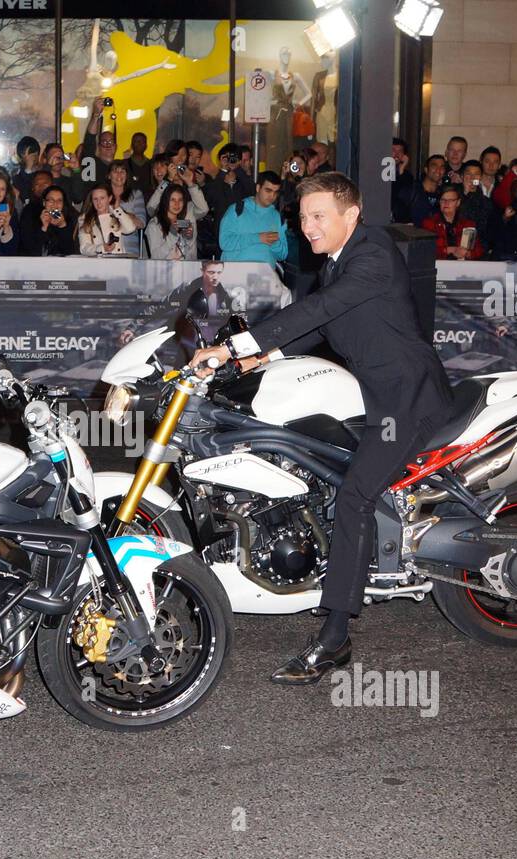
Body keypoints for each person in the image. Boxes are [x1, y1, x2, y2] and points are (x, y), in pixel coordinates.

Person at [194, 172, 454, 686]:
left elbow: (318, 309)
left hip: (407, 397)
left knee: (356, 493)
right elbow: (315, 330)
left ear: (350, 215)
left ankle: (335, 638)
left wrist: (232, 348)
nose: (307, 227)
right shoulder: (339, 262)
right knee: (322, 469)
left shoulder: (372, 255)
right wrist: (253, 360)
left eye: (319, 217)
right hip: (373, 394)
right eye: (303, 217)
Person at [218, 171, 287, 264]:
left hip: (264, 275)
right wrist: (258, 238)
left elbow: (283, 255)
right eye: (268, 190)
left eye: (276, 192)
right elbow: (224, 242)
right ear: (258, 188)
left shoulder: (277, 216)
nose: (272, 196)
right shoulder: (237, 209)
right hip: (236, 273)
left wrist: (275, 243)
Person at [145, 183, 199, 260]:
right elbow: (155, 256)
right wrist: (172, 236)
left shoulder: (186, 223)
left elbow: (192, 257)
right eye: (172, 199)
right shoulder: (154, 224)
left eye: (180, 200)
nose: (176, 204)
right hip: (163, 270)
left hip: (185, 270)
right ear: (165, 201)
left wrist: (189, 240)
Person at [18, 184, 76, 256]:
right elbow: (31, 251)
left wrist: (62, 226)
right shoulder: (31, 215)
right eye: (51, 200)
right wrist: (44, 227)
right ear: (44, 202)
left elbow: (70, 252)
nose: (55, 204)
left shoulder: (69, 219)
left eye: (59, 200)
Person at [78, 184, 136, 256]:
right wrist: (101, 248)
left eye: (102, 198)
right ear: (91, 201)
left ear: (110, 198)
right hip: (97, 263)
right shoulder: (84, 219)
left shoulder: (117, 214)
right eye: (95, 199)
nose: (99, 202)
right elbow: (84, 248)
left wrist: (117, 209)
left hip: (118, 262)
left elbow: (130, 229)